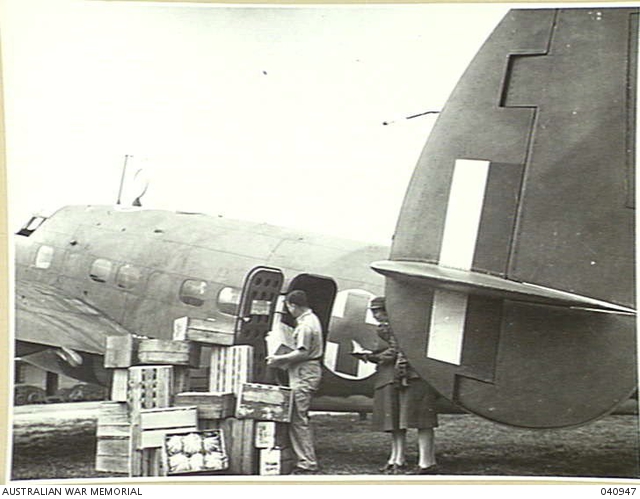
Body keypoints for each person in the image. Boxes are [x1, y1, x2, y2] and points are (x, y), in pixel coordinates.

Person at [357, 296, 439, 475]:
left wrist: (374, 357)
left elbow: (396, 350)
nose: (377, 315)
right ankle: (400, 459)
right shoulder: (391, 327)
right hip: (404, 376)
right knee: (402, 420)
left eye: (380, 311)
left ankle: (426, 463)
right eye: (374, 311)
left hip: (416, 375)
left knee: (420, 421)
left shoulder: (398, 326)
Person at [266, 289, 323, 474]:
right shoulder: (312, 319)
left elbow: (303, 352)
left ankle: (307, 463)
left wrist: (278, 359)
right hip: (306, 371)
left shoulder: (306, 325)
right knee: (300, 417)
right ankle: (305, 458)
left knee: (298, 419)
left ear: (293, 305)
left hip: (303, 371)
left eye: (289, 307)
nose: (289, 311)